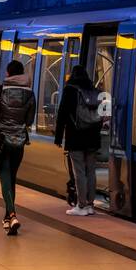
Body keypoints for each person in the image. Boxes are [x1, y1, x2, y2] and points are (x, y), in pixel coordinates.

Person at [0, 60, 36, 235]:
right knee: (12, 177)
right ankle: (8, 217)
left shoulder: (0, 90)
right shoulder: (30, 93)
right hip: (20, 141)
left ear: (8, 73)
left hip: (2, 140)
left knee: (5, 176)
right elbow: (29, 120)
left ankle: (12, 214)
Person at [55, 65, 103, 216]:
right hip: (93, 138)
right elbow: (101, 117)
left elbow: (62, 114)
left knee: (79, 172)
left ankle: (81, 205)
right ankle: (90, 205)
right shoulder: (95, 91)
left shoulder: (70, 90)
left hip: (76, 137)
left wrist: (58, 137)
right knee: (91, 171)